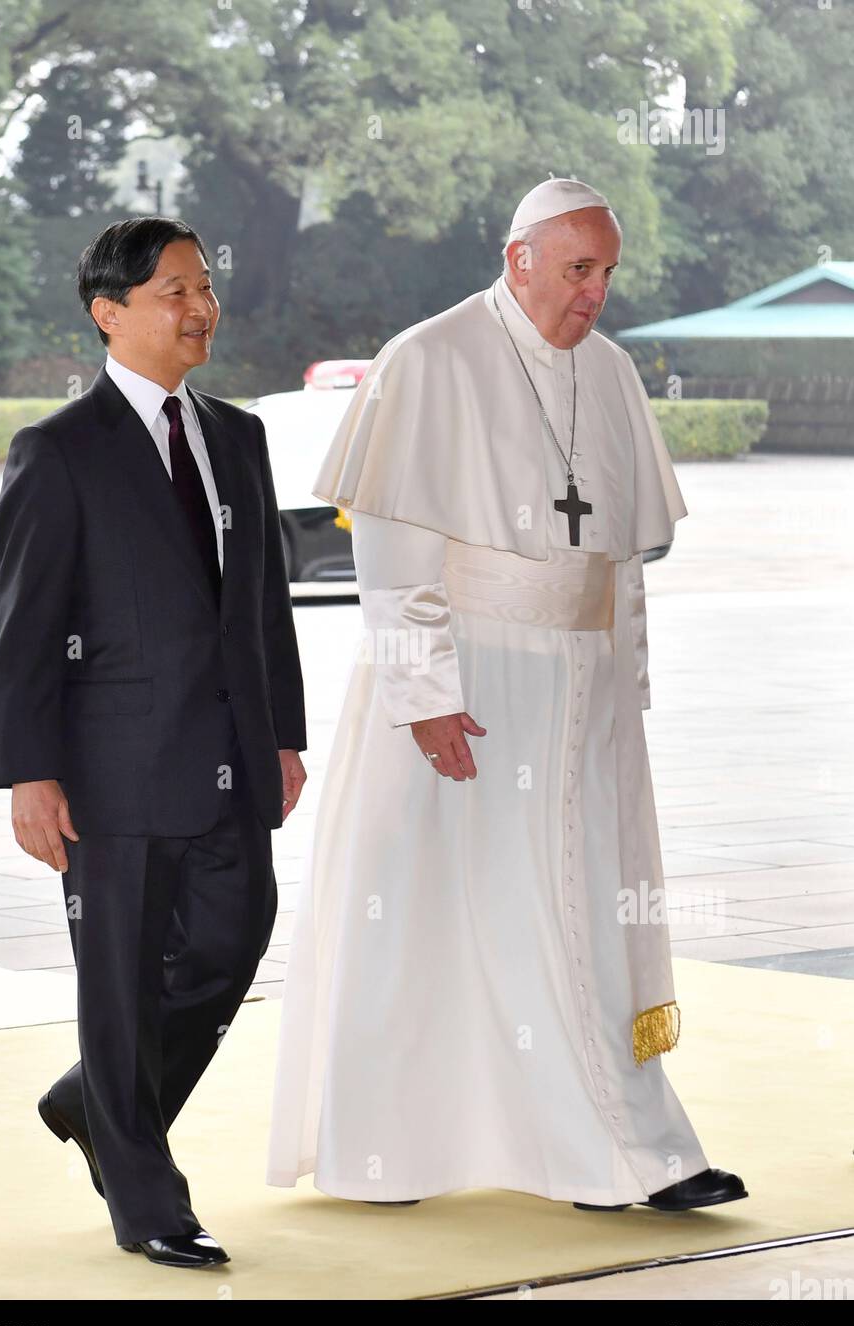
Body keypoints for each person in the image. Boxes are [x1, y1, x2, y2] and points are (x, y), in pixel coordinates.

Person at [265, 178, 747, 1214]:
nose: (596, 293)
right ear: (517, 256)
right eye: (579, 269)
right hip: (467, 688)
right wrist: (423, 691)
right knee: (427, 908)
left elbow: (624, 557)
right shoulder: (429, 359)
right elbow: (394, 555)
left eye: (608, 272)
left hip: (578, 692)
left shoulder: (612, 373)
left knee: (582, 914)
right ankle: (391, 1144)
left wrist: (626, 690)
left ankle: (625, 1146)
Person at [0, 216, 307, 1267]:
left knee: (233, 935)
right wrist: (28, 772)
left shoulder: (239, 436)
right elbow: (25, 626)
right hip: (108, 771)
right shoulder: (58, 451)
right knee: (118, 985)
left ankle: (96, 1100)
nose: (201, 306)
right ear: (109, 313)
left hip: (228, 757)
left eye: (205, 287)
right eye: (175, 290)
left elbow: (265, 607)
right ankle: (148, 1198)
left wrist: (284, 737)